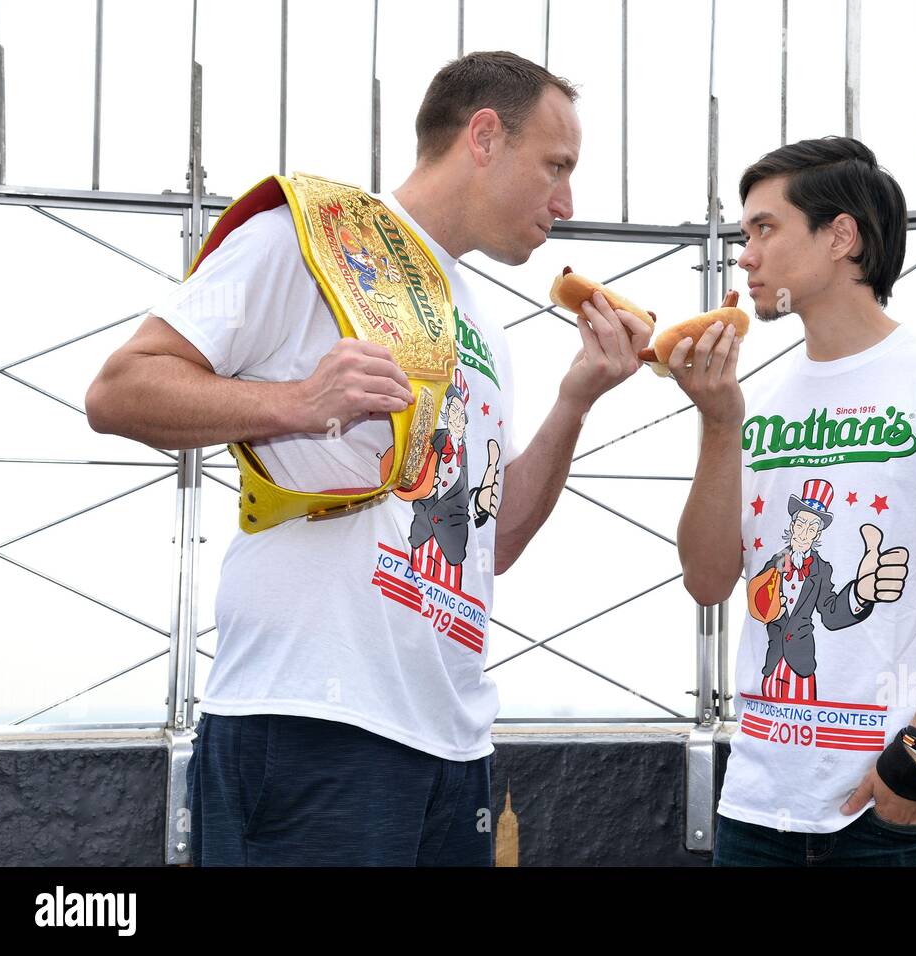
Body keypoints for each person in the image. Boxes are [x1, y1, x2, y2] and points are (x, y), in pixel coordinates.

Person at [84, 51, 651, 866]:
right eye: (555, 166)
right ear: (483, 136)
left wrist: (578, 397)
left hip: (453, 743)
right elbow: (118, 390)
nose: (566, 200)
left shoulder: (483, 326)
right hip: (311, 715)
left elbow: (496, 544)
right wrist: (297, 404)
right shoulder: (309, 240)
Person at [671, 136, 916, 866]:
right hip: (755, 810)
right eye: (745, 235)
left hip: (898, 814)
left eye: (764, 230)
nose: (745, 257)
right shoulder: (756, 399)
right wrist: (718, 421)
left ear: (841, 235)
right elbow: (710, 581)